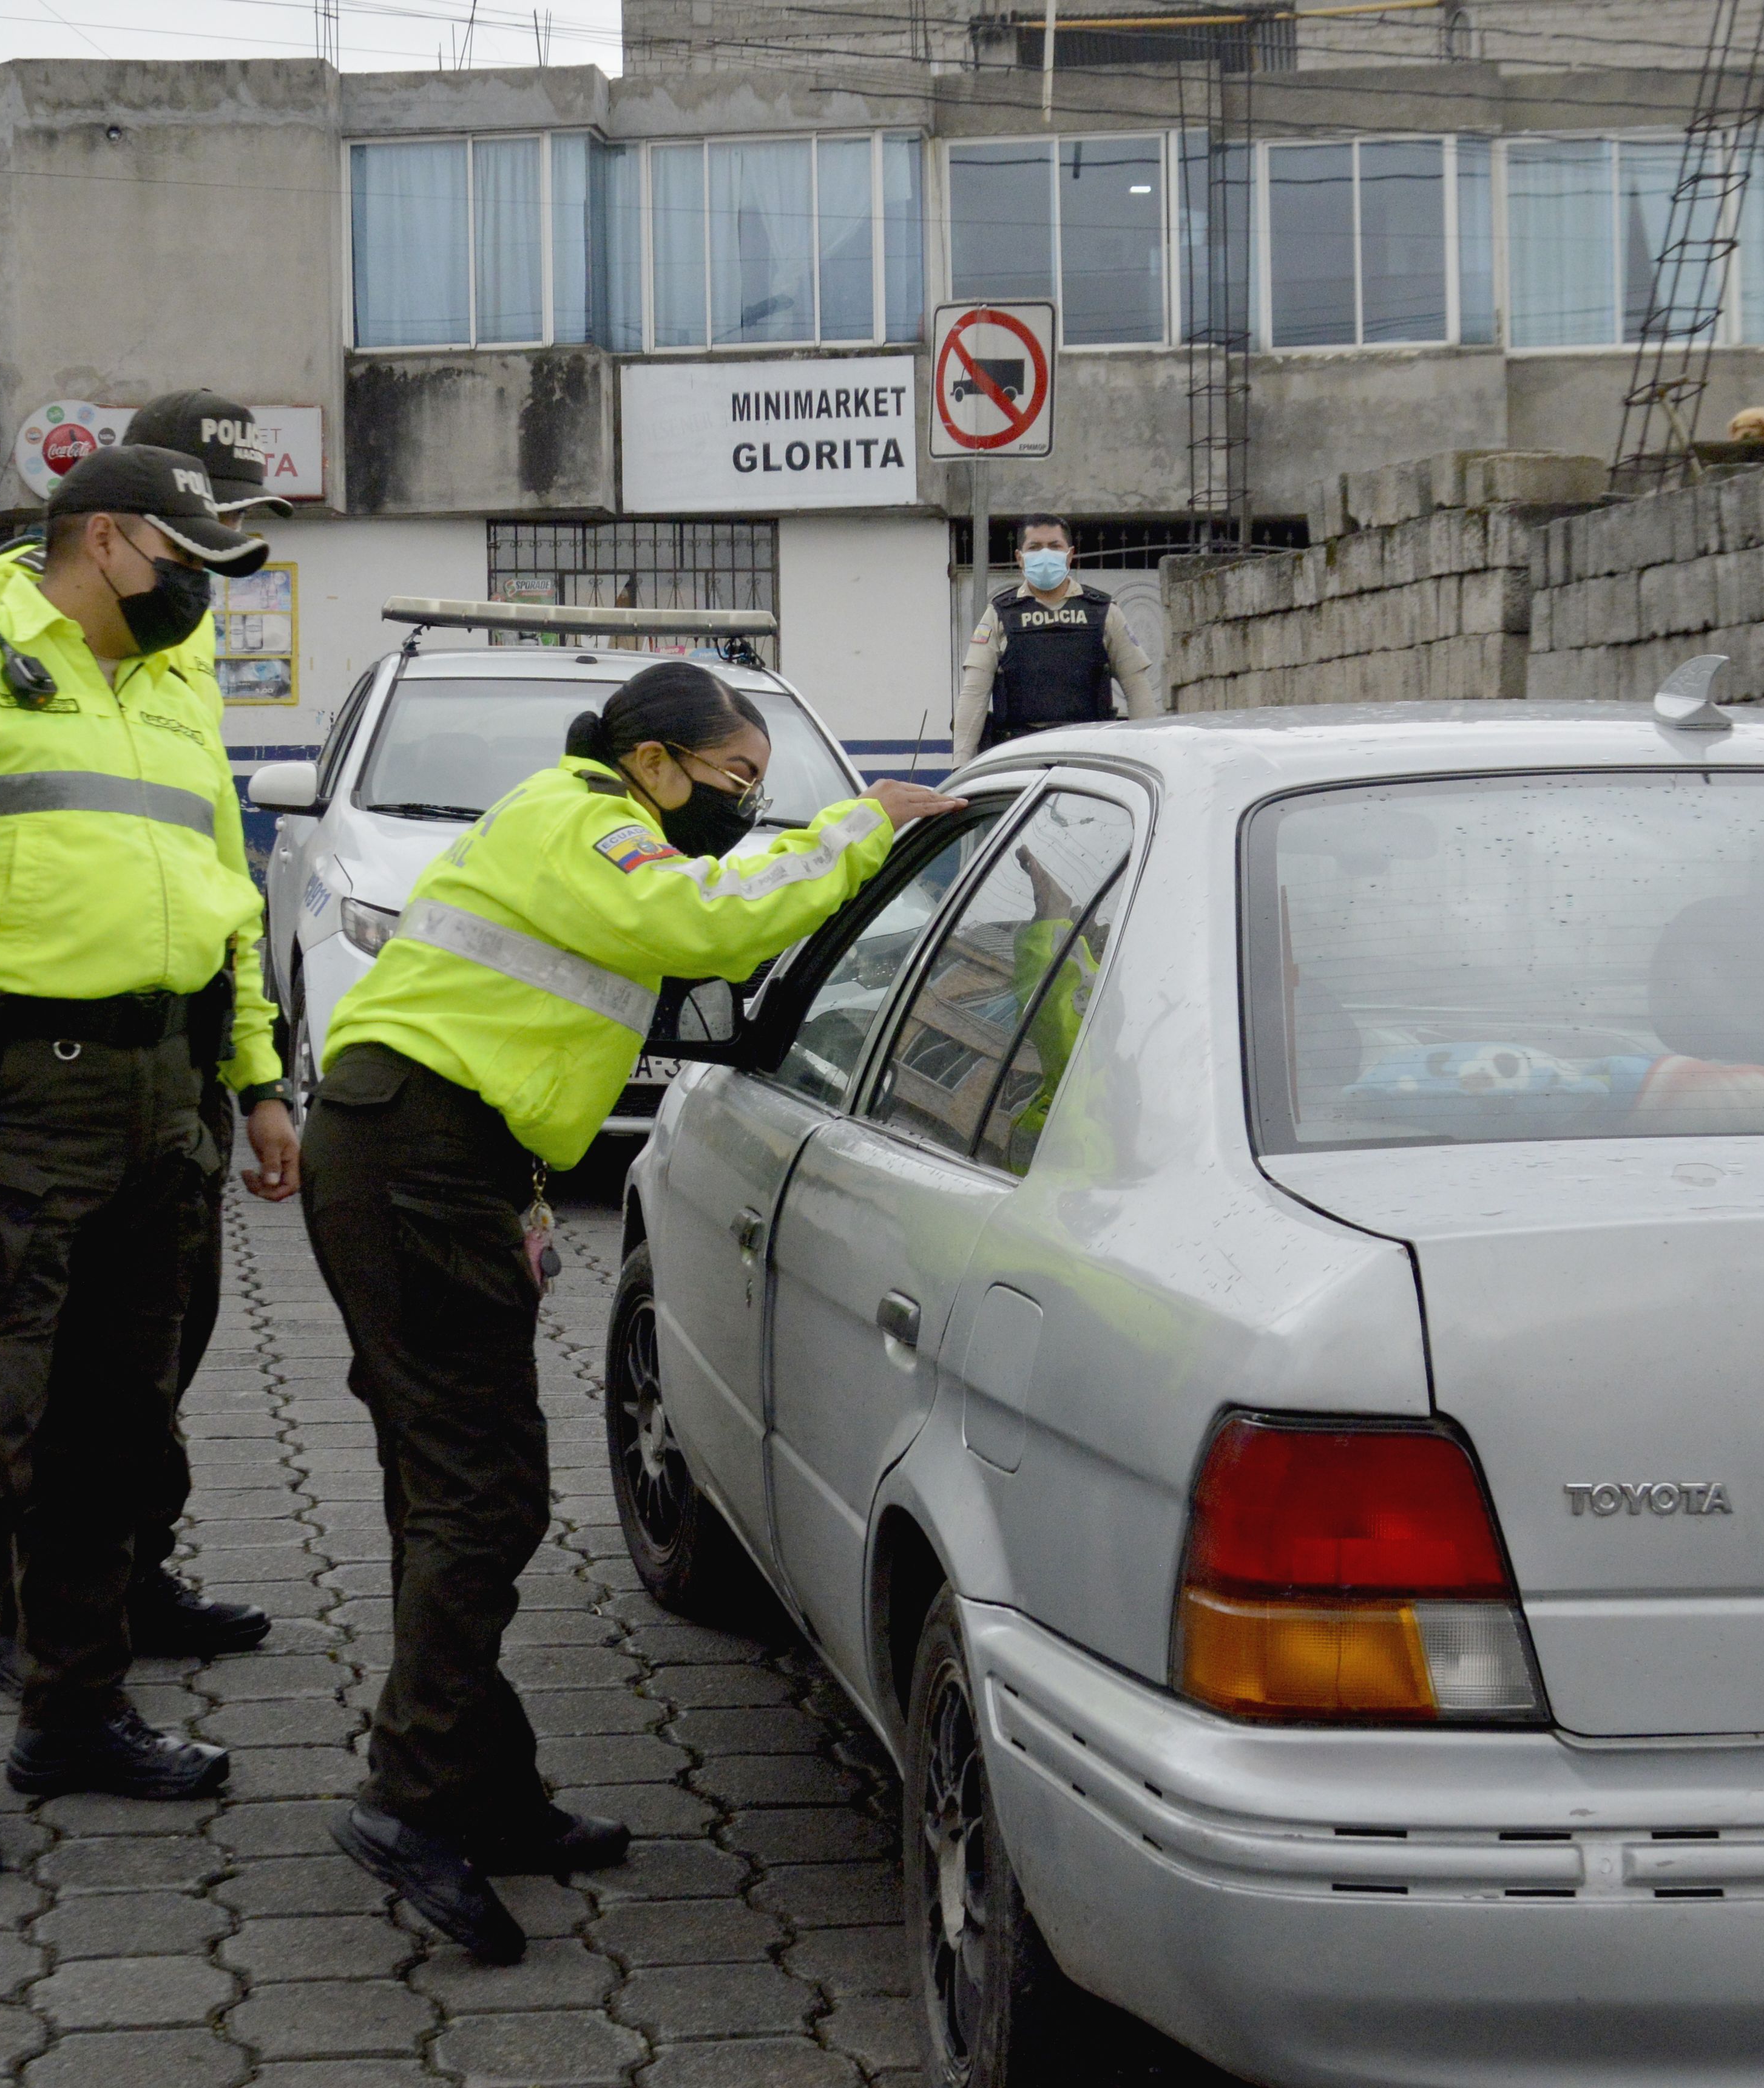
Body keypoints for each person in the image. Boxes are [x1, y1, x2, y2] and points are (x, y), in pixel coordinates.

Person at [304, 662, 963, 1963]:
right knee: (479, 1492)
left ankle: (483, 1787)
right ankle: (410, 1799)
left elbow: (552, 1007)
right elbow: (698, 925)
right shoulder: (587, 816)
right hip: (412, 1158)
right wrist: (859, 827)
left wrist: (525, 1195)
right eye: (731, 782)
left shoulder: (579, 818)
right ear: (653, 760)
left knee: (453, 1484)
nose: (742, 808)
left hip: (438, 1157)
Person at [0, 443, 305, 1880]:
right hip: (8, 1100)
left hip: (163, 1100)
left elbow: (226, 901)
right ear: (101, 538)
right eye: (180, 569)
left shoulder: (171, 686)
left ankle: (77, 1712)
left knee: (114, 1436)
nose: (197, 603)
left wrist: (256, 1079)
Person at [0, 389, 291, 1674]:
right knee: (18, 1372)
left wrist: (254, 1071)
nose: (222, 554)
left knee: (152, 1352)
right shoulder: (0, 620)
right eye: (211, 522)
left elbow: (211, 865)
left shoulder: (173, 640)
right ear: (121, 522)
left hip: (175, 1052)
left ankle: (122, 1577)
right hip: (35, 1072)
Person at [951, 514, 1164, 758]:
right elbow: (974, 695)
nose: (1044, 554)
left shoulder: (1103, 612)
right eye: (1034, 547)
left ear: (1070, 555)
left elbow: (1137, 688)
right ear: (1020, 558)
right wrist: (961, 765)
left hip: (1090, 753)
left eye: (1054, 546)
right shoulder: (1000, 614)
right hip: (1019, 754)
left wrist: (1149, 755)